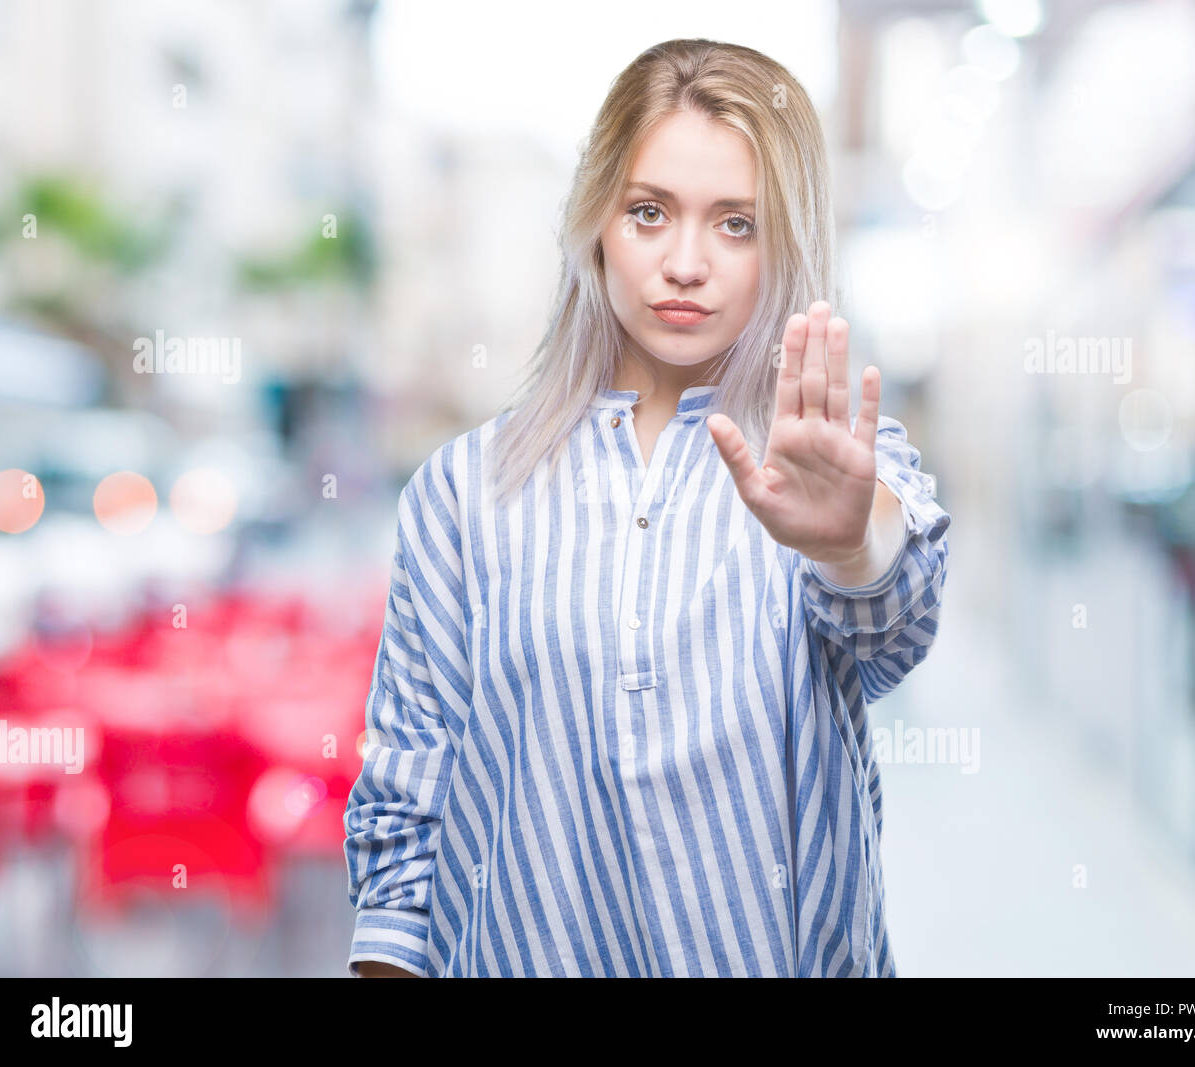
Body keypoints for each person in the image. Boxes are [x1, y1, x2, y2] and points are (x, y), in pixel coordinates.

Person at [345, 37, 950, 978]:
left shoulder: (834, 465)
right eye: (649, 212)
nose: (684, 262)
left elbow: (893, 627)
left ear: (786, 241)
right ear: (596, 223)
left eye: (736, 224)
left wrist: (848, 544)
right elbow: (405, 807)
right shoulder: (463, 492)